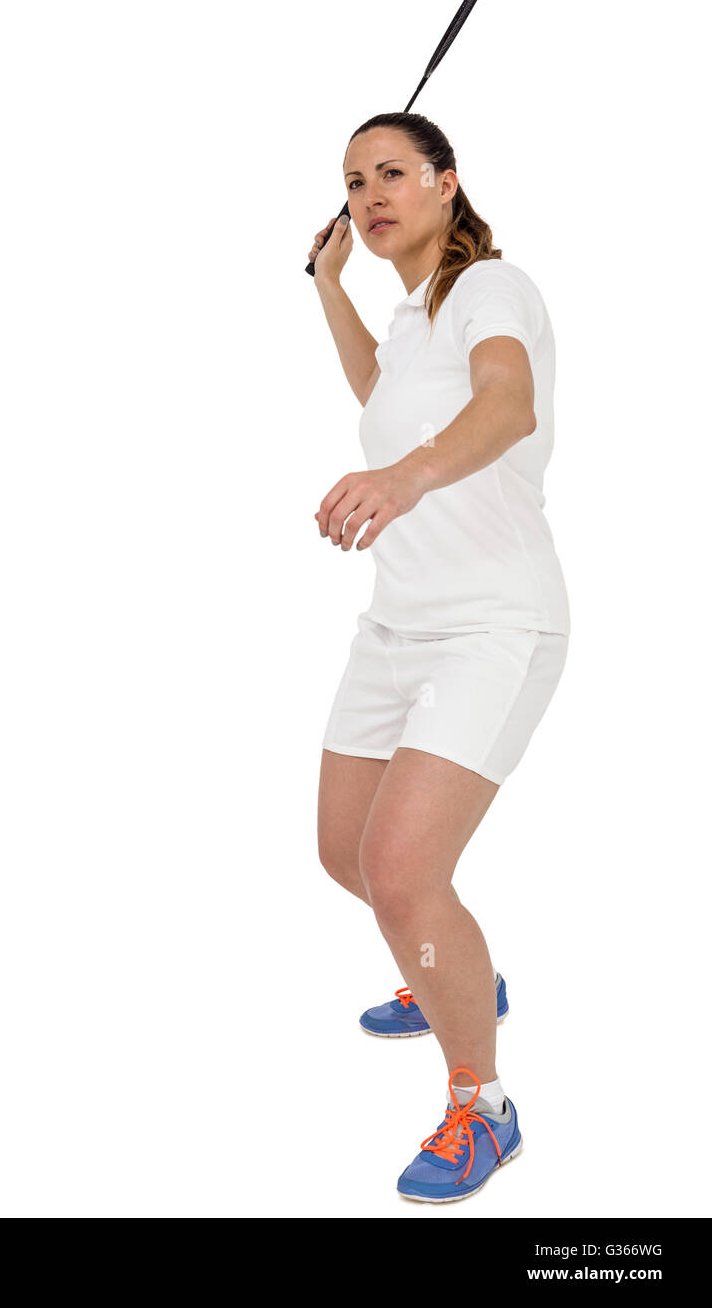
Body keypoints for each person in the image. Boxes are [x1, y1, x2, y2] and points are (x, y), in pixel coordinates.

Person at [309, 111, 570, 1203]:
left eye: (392, 175)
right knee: (346, 857)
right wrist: (328, 286)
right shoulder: (412, 320)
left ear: (446, 185)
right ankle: (454, 971)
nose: (370, 196)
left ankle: (483, 1106)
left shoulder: (490, 293)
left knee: (402, 876)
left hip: (491, 624)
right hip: (395, 624)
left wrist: (405, 481)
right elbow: (384, 397)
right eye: (352, 181)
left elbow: (503, 408)